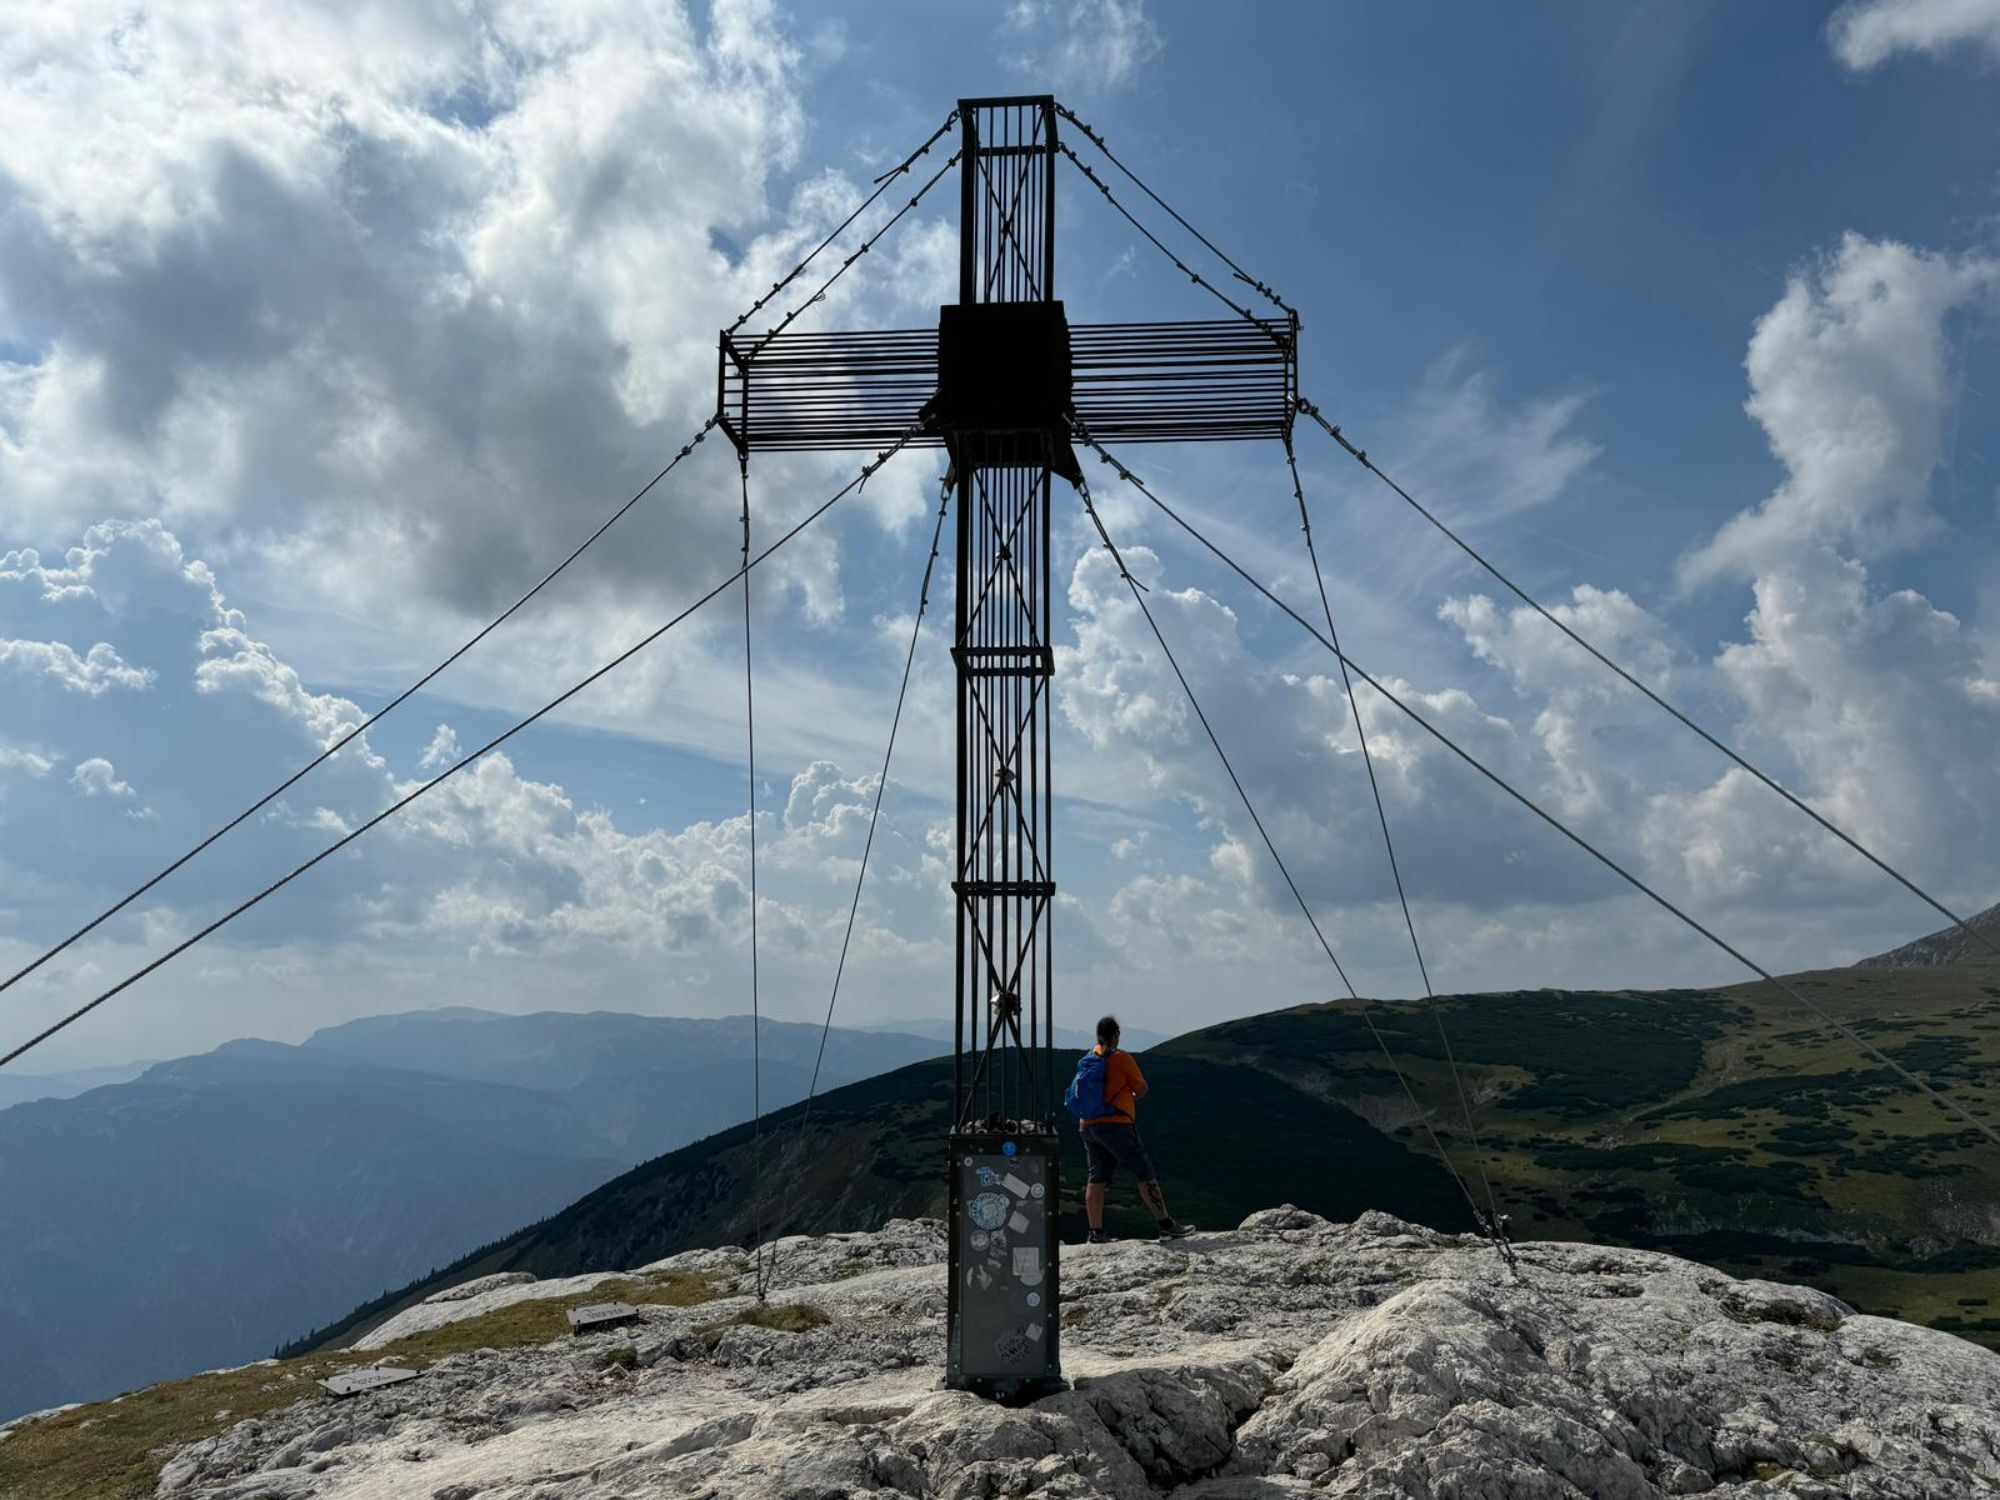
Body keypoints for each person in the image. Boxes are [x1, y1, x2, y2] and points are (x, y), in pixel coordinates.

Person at [1077, 1015, 1195, 1243]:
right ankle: (1166, 1225)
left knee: (1096, 1177)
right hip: (1116, 1125)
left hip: (1087, 1125)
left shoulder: (1089, 1057)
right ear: (1116, 1035)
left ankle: (1095, 1232)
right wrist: (1129, 1096)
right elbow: (1141, 1088)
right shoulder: (1121, 1058)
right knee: (1144, 1172)